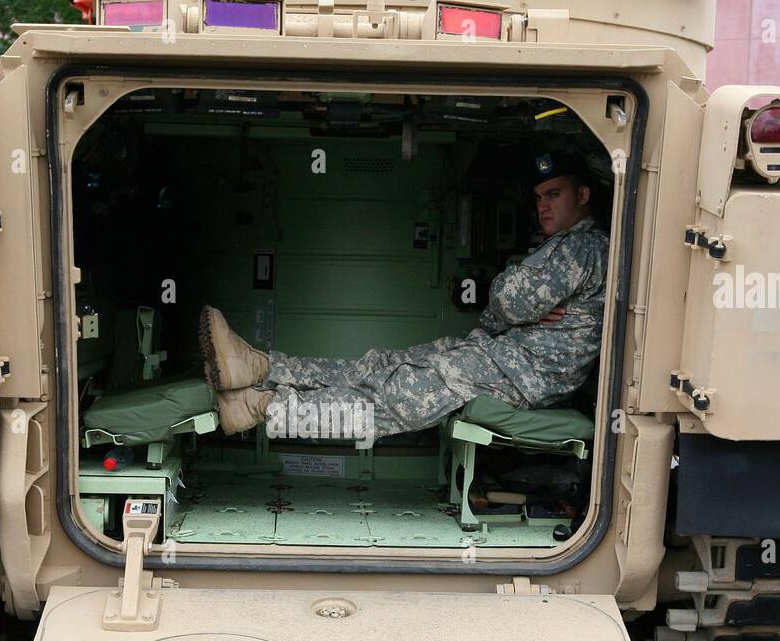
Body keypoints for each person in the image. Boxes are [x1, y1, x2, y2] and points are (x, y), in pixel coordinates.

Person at [200, 152, 610, 440]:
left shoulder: (582, 247)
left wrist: (515, 294)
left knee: (400, 394)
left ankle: (259, 407)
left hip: (528, 374)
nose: (543, 206)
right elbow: (506, 310)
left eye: (553, 195)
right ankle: (259, 367)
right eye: (539, 198)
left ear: (583, 195)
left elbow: (508, 302)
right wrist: (522, 303)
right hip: (503, 355)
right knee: (384, 364)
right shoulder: (562, 248)